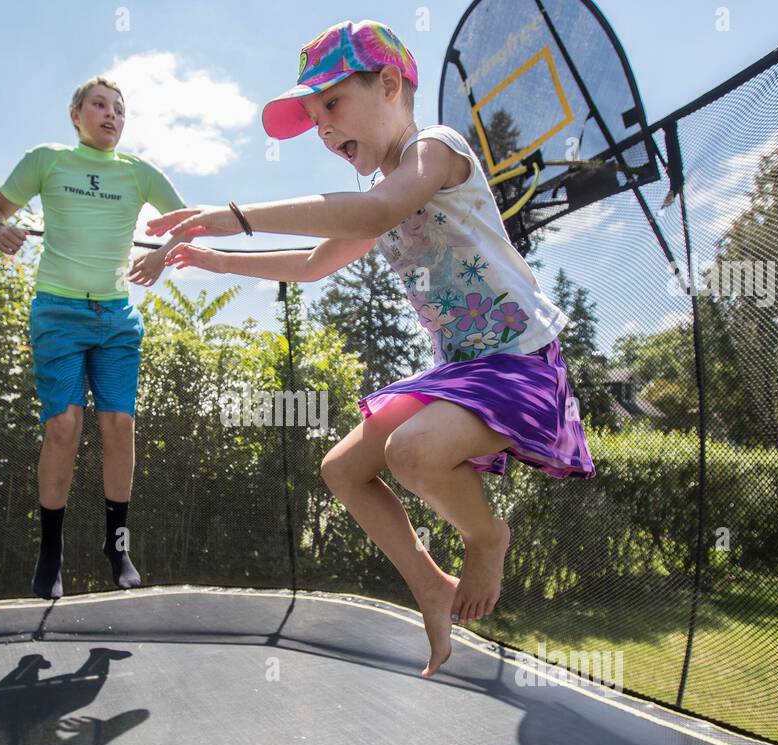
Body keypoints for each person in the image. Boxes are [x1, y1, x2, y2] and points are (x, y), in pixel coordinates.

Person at [146, 20, 595, 676]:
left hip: (521, 361)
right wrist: (217, 260)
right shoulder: (377, 197)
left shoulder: (434, 151)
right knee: (343, 470)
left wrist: (235, 215)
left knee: (411, 453)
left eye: (330, 105)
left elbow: (376, 212)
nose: (323, 130)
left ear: (389, 85)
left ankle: (486, 535)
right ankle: (432, 589)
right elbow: (312, 263)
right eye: (313, 118)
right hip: (468, 371)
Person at [0, 76, 188, 599]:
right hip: (58, 313)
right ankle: (51, 552)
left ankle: (116, 546)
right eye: (100, 104)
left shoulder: (138, 172)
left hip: (117, 318)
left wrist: (161, 255)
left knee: (119, 424)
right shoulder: (47, 159)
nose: (112, 114)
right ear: (76, 114)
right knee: (64, 427)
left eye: (120, 108)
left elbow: (188, 223)